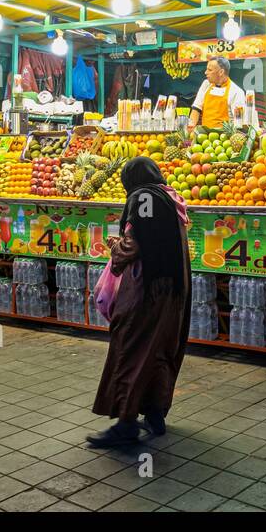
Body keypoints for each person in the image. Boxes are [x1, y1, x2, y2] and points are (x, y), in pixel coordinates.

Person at [88, 158, 192, 447]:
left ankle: (125, 424)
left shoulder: (142, 197)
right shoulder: (170, 198)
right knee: (159, 351)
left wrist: (115, 248)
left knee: (130, 348)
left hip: (147, 290)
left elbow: (135, 245)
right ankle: (155, 414)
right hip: (174, 291)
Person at [186, 56, 247, 130]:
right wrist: (191, 125)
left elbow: (239, 121)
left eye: (210, 70)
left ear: (221, 72)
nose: (205, 72)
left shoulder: (236, 92)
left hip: (224, 137)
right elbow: (196, 108)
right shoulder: (206, 84)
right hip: (204, 137)